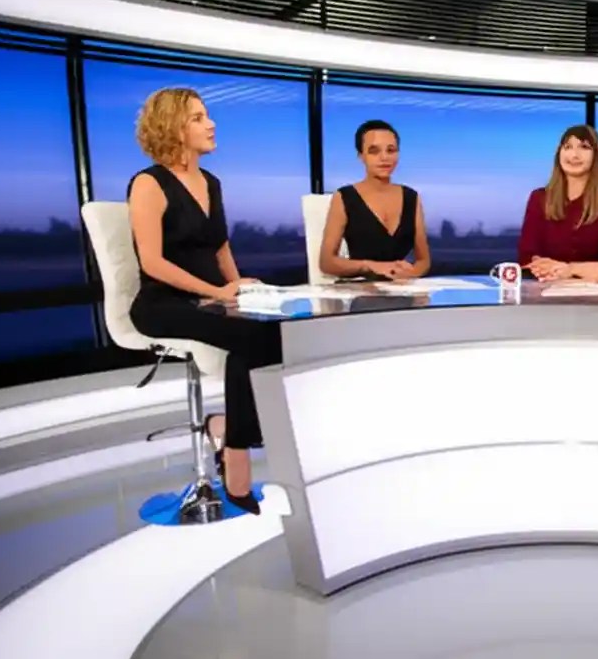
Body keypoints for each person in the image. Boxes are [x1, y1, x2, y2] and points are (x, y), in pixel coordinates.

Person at [126, 87, 281, 515]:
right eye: (197, 118)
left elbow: (220, 247)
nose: (210, 124)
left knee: (269, 329)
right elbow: (152, 262)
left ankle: (227, 429)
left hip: (210, 297)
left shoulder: (211, 182)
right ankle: (237, 455)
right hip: (164, 303)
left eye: (206, 115)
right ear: (172, 127)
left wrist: (238, 288)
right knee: (252, 338)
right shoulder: (149, 183)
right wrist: (216, 293)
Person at [319, 120, 431, 280]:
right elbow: (326, 262)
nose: (384, 157)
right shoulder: (344, 197)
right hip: (361, 289)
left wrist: (410, 273)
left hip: (402, 288)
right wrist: (370, 266)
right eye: (374, 151)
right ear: (361, 156)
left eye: (391, 150)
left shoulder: (412, 197)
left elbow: (423, 261)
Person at [518, 124, 598, 282]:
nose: (574, 155)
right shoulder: (539, 198)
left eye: (584, 147)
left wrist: (570, 269)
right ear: (559, 153)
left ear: (596, 156)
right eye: (568, 147)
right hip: (546, 291)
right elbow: (527, 258)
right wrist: (576, 270)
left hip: (596, 294)